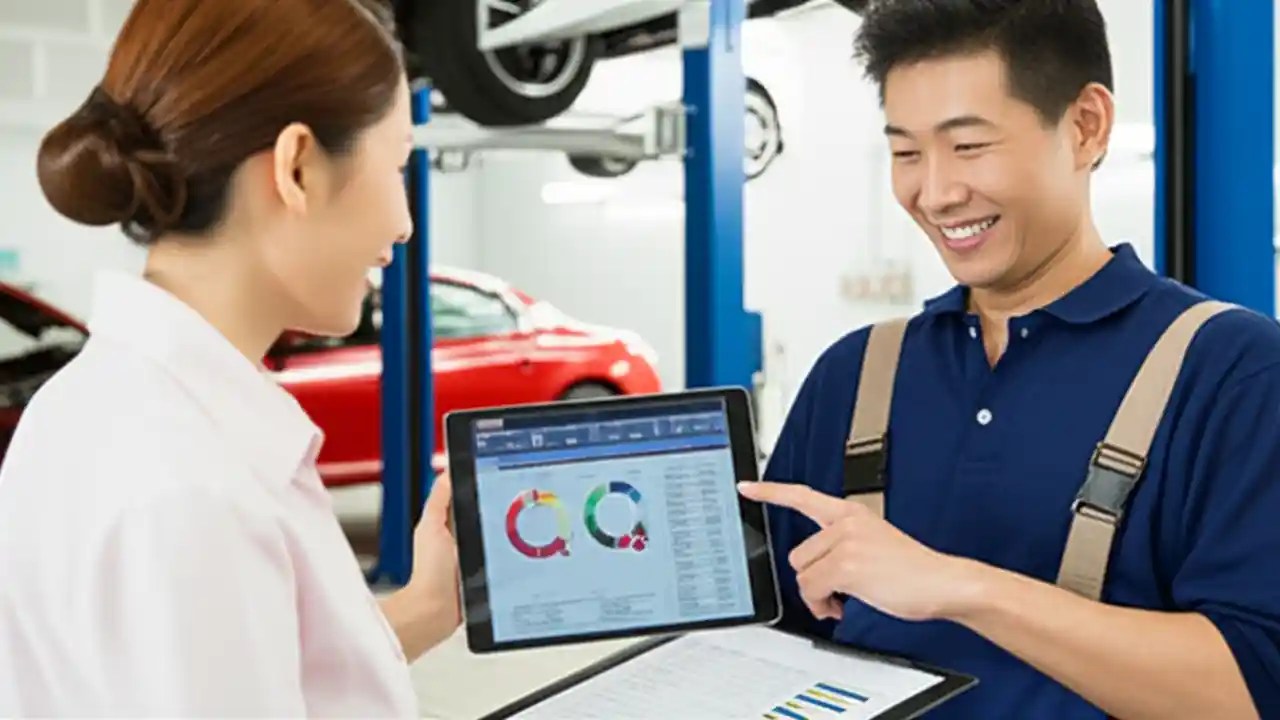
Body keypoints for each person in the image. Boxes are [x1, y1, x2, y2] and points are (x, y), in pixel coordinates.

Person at [737, 1, 1279, 718]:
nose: (935, 192)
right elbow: (768, 646)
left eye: (969, 147)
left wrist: (961, 588)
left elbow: (1252, 688)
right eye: (905, 152)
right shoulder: (857, 374)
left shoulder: (1232, 372)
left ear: (1086, 127)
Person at [0, 0, 460, 715]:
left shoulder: (93, 408)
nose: (402, 223)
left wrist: (427, 607)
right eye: (397, 164)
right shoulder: (190, 486)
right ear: (298, 167)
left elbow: (259, 667)